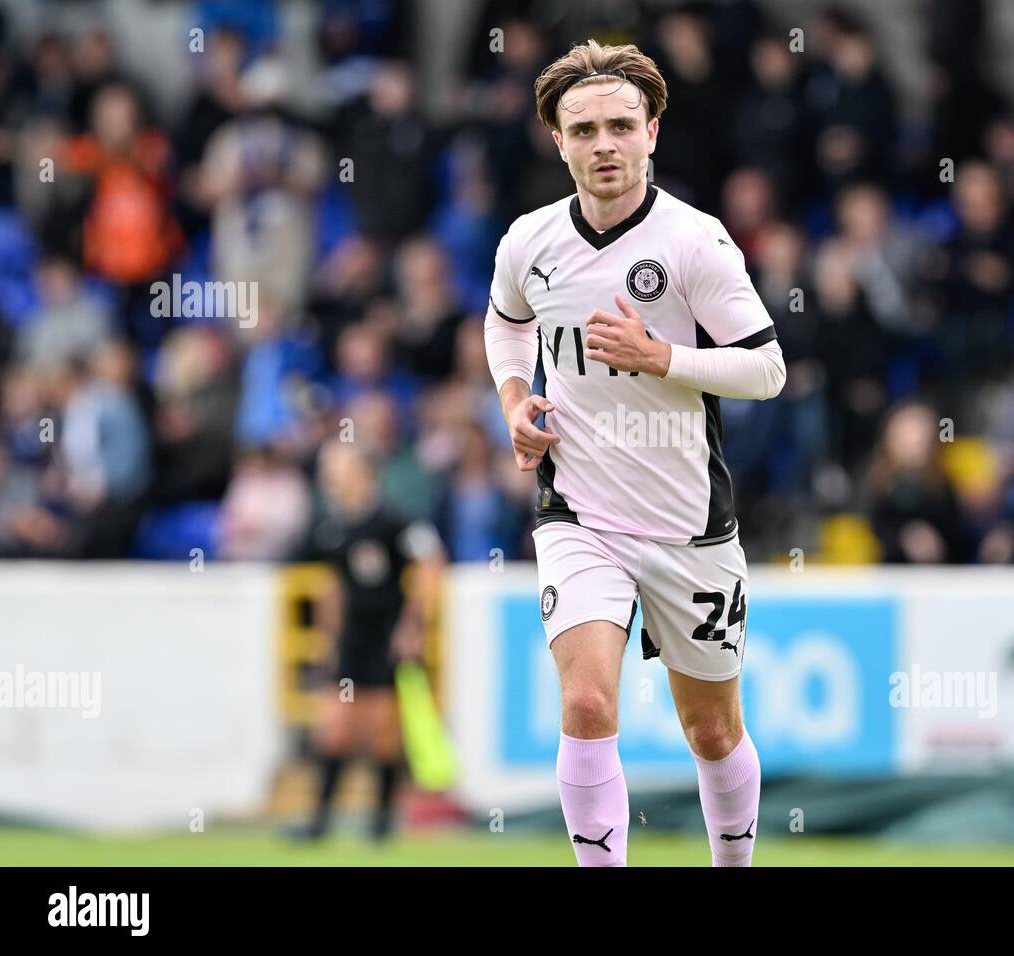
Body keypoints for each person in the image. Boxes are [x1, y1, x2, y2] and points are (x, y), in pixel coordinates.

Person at [483, 39, 786, 866]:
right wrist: (514, 401)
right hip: (577, 509)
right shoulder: (530, 242)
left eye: (621, 125)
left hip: (688, 524)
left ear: (652, 131)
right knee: (585, 704)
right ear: (558, 141)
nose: (604, 144)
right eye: (584, 130)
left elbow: (767, 367)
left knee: (713, 728)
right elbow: (504, 322)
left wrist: (664, 358)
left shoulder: (696, 243)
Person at [293, 440, 444, 841]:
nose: (329, 477)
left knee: (382, 730)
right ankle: (319, 820)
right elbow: (333, 588)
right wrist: (328, 637)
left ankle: (380, 822)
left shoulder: (395, 523)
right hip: (352, 639)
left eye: (337, 468)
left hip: (388, 637)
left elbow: (431, 564)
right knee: (335, 728)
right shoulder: (332, 529)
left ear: (360, 473)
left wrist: (413, 626)